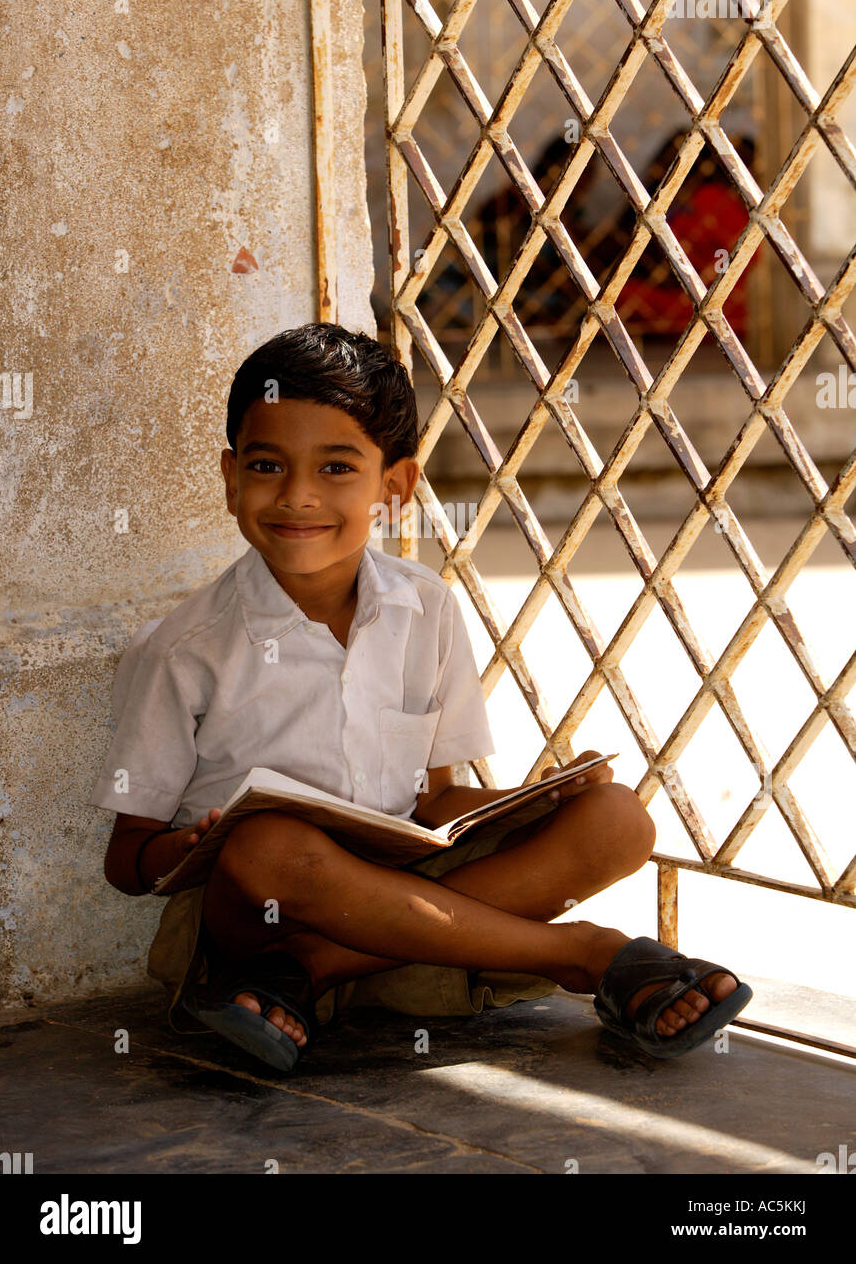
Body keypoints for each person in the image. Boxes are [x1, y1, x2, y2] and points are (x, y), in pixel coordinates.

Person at [91, 322, 752, 1073]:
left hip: (399, 896)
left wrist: (525, 801)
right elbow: (125, 860)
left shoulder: (426, 608)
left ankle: (314, 975)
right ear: (231, 476)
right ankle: (586, 954)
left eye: (337, 467)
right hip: (255, 920)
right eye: (268, 465)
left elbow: (435, 803)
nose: (298, 496)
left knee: (619, 820)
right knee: (269, 846)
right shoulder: (183, 650)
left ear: (395, 489)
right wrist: (188, 844)